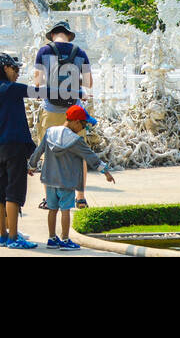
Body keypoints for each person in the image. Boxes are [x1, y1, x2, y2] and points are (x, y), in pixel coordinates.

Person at [27, 105, 115, 250]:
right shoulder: (76, 141)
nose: (83, 129)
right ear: (76, 122)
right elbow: (91, 157)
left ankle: (52, 239)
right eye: (83, 125)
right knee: (65, 210)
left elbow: (38, 151)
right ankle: (65, 239)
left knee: (52, 209)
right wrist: (105, 172)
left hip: (49, 180)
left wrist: (31, 165)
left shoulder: (50, 132)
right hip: (66, 182)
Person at [0, 52, 41, 249]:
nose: (17, 73)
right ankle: (14, 237)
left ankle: (3, 236)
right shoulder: (12, 89)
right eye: (15, 69)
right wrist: (70, 92)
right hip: (14, 146)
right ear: (5, 68)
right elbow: (39, 92)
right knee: (14, 192)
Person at [32, 20, 94, 209]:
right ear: (68, 35)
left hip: (51, 110)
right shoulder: (80, 53)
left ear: (52, 35)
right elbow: (89, 83)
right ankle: (80, 197)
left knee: (47, 152)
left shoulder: (44, 51)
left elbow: (37, 81)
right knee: (79, 153)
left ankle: (49, 198)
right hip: (74, 113)